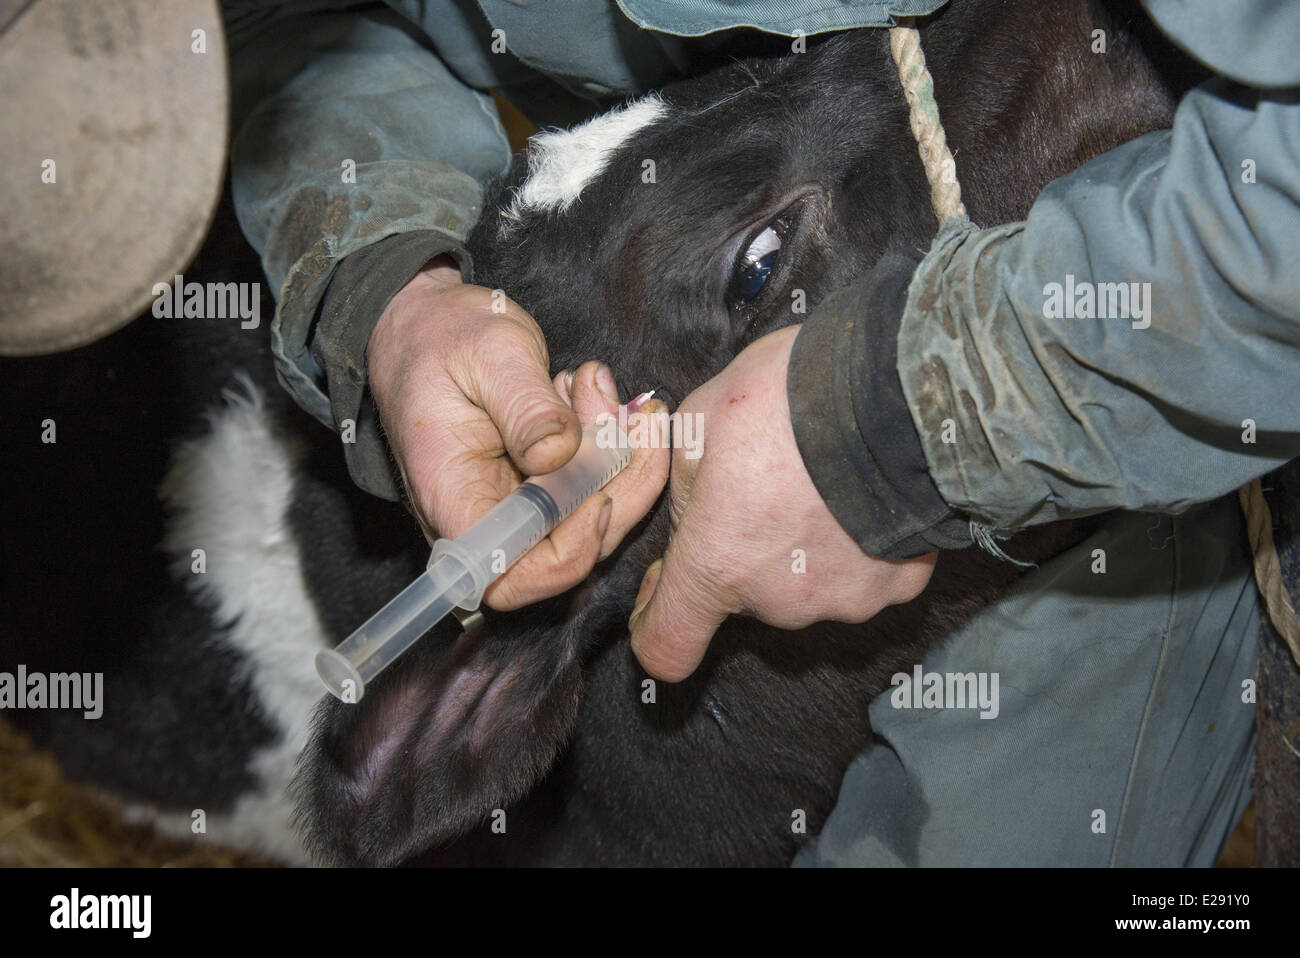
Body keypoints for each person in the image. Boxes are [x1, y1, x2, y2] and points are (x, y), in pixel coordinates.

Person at [226, 0, 1292, 864]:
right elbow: (294, 20)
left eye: (753, 266)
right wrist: (389, 283)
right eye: (754, 265)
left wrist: (896, 418)